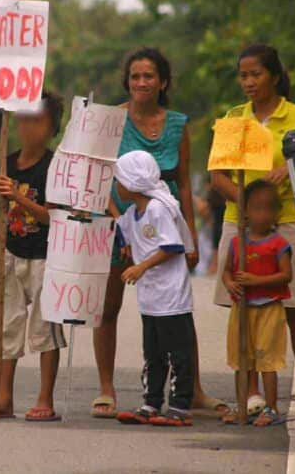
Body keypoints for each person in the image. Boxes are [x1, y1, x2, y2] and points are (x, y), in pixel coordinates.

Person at [91, 47, 227, 419]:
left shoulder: (177, 124)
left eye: (148, 76)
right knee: (109, 305)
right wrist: (123, 226)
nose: (141, 82)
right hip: (119, 221)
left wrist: (191, 238)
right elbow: (100, 178)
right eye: (134, 76)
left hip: (164, 227)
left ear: (163, 82)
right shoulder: (111, 121)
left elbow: (184, 184)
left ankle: (192, 390)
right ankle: (106, 388)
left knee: (177, 311)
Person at [211, 43, 295, 416]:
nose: (248, 82)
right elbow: (217, 176)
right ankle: (252, 392)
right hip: (242, 225)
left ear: (275, 76)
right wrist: (249, 208)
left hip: (288, 221)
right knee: (246, 307)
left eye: (256, 74)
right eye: (243, 76)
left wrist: (292, 168)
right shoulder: (235, 119)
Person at [0, 91, 66, 422]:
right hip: (10, 256)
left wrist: (19, 197)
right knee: (6, 326)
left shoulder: (55, 167)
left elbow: (52, 217)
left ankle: (45, 398)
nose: (28, 127)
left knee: (45, 329)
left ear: (52, 126)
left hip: (45, 257)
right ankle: (3, 396)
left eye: (36, 120)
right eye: (23, 119)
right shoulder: (6, 165)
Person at [111, 150, 196, 427]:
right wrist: (103, 201)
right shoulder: (135, 212)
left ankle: (181, 406)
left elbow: (172, 247)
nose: (117, 186)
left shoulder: (158, 210)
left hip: (171, 295)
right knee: (153, 353)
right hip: (151, 299)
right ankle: (151, 402)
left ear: (133, 183)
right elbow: (119, 224)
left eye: (119, 181)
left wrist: (141, 267)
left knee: (178, 353)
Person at [222, 180, 293, 427]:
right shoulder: (236, 242)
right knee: (241, 359)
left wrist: (257, 280)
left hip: (269, 308)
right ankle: (242, 404)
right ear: (245, 211)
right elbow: (227, 271)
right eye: (255, 208)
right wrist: (231, 284)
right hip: (242, 309)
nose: (261, 214)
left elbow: (286, 275)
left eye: (267, 209)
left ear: (276, 213)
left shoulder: (279, 244)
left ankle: (272, 408)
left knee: (267, 360)